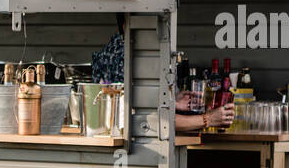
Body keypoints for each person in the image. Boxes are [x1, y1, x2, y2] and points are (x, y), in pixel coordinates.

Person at [92, 14, 233, 134]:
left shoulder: (112, 50)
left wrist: (174, 100)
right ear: (127, 26)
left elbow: (143, 102)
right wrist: (208, 119)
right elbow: (154, 120)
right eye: (154, 25)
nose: (160, 32)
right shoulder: (129, 58)